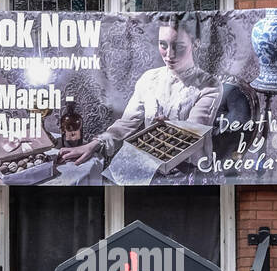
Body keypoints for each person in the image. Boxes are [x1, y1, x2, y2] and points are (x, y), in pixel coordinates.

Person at [59, 16, 220, 171]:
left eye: (178, 47)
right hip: (152, 169)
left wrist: (171, 126)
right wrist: (93, 145)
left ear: (196, 44)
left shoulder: (209, 86)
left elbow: (193, 132)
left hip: (191, 174)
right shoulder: (149, 79)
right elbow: (126, 124)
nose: (169, 54)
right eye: (163, 45)